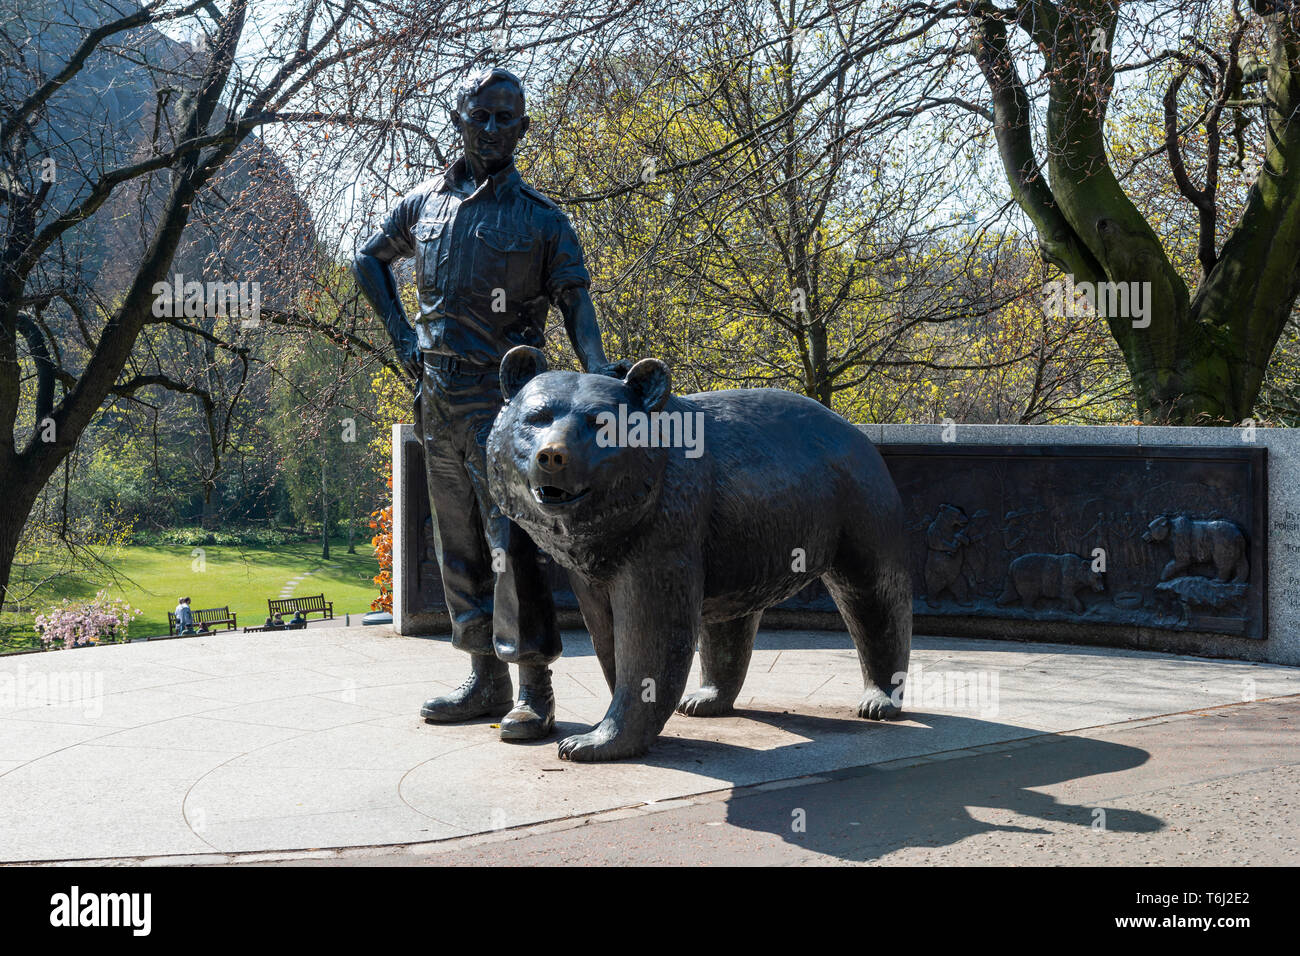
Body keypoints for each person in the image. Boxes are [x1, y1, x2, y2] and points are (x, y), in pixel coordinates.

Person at [353, 66, 621, 741]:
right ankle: (483, 675)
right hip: (437, 397)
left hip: (506, 405)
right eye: (484, 115)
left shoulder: (541, 219)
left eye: (509, 118)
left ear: (524, 128)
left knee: (511, 544)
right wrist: (400, 333)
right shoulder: (423, 205)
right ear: (458, 118)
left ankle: (534, 686)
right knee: (459, 542)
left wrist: (599, 378)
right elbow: (368, 260)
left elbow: (575, 303)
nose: (496, 128)